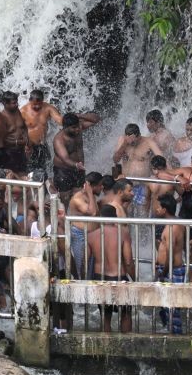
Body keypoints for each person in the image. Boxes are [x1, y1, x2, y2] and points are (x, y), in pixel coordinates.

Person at [86, 205, 134, 333]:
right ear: (115, 217)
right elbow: (128, 261)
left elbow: (84, 262)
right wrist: (135, 278)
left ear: (101, 218)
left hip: (99, 277)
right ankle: (125, 347)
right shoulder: (123, 234)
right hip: (119, 277)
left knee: (105, 316)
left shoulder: (91, 236)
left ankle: (106, 348)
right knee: (126, 312)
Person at [154, 193, 186, 334]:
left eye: (158, 207)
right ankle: (170, 332)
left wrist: (163, 273)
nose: (156, 209)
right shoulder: (173, 224)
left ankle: (176, 338)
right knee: (167, 306)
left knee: (172, 306)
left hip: (171, 270)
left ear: (165, 209)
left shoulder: (172, 227)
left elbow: (171, 254)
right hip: (168, 269)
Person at [112, 123, 161, 213]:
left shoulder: (148, 142)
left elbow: (161, 158)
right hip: (127, 184)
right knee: (126, 211)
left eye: (134, 141)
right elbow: (115, 160)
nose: (132, 143)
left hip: (143, 184)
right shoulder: (122, 140)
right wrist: (125, 144)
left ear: (139, 136)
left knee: (141, 212)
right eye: (130, 141)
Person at [21, 90, 61, 181]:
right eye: (34, 104)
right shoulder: (23, 111)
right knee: (29, 172)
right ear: (30, 101)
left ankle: (45, 191)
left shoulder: (48, 108)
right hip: (29, 147)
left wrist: (71, 120)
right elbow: (18, 129)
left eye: (39, 104)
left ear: (43, 101)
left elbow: (59, 119)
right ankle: (30, 192)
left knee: (46, 170)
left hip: (43, 145)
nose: (37, 106)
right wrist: (24, 143)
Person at [67, 175, 102, 278]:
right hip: (80, 235)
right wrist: (90, 193)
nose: (102, 188)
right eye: (100, 185)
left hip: (91, 235)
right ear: (91, 186)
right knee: (82, 265)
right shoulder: (77, 198)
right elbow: (93, 212)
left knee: (91, 266)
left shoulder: (92, 197)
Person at [52, 112, 90, 196]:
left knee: (79, 195)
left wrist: (80, 116)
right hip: (63, 171)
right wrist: (76, 165)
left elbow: (96, 120)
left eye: (77, 126)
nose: (77, 129)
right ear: (65, 127)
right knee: (65, 197)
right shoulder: (59, 140)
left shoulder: (78, 129)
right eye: (74, 127)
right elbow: (65, 159)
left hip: (79, 169)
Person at [0, 91, 28, 176]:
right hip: (9, 153)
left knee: (23, 174)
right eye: (13, 103)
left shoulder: (16, 111)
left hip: (21, 151)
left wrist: (27, 140)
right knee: (12, 177)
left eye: (17, 102)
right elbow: (1, 140)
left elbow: (24, 127)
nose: (16, 105)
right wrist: (18, 142)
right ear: (5, 103)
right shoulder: (2, 117)